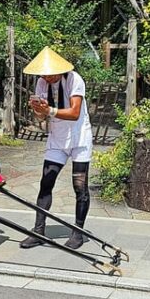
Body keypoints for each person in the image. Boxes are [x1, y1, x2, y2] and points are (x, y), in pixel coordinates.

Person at [18, 47, 92, 250]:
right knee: (46, 181)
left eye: (49, 73)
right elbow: (43, 117)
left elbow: (75, 112)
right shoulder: (42, 83)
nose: (46, 77)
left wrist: (49, 109)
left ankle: (78, 232)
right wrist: (38, 111)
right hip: (57, 137)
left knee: (79, 185)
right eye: (43, 73)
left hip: (79, 137)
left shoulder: (74, 79)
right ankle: (38, 230)